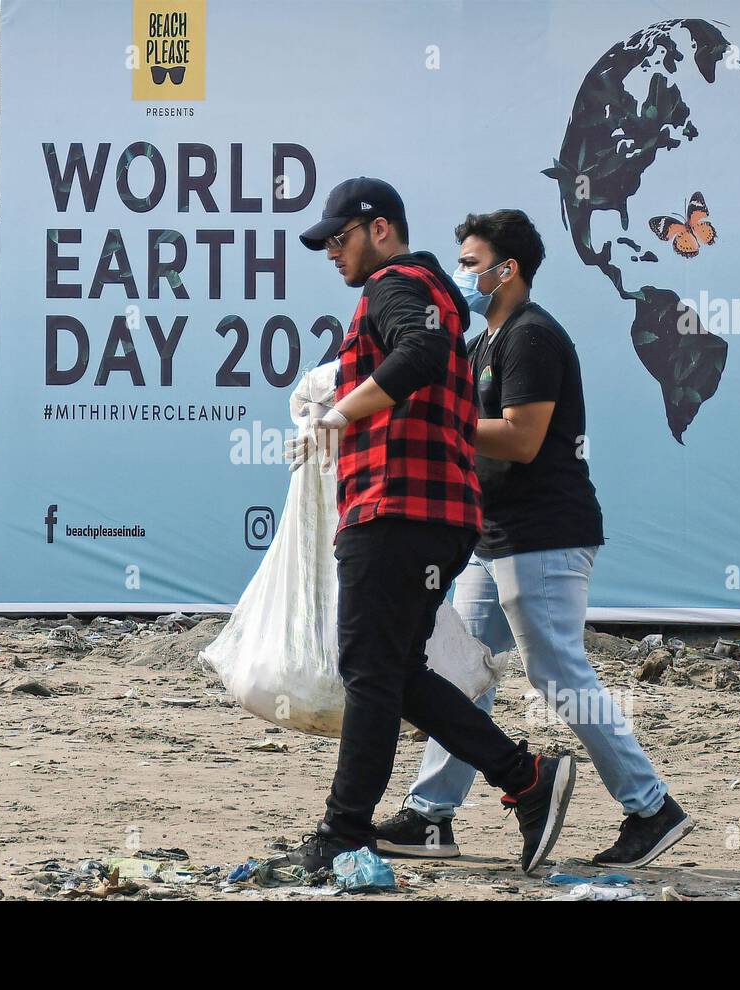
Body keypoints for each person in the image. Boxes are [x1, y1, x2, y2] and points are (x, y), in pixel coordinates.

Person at [373, 209, 694, 867]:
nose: (461, 274)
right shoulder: (481, 343)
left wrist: (439, 423)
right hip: (493, 542)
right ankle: (432, 817)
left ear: (506, 269)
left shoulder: (533, 338)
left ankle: (651, 806)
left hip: (545, 538)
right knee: (461, 675)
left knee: (558, 675)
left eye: (469, 262)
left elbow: (521, 439)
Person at [279, 178, 576, 875]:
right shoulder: (434, 290)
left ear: (380, 229)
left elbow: (419, 353)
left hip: (398, 509)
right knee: (394, 671)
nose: (330, 252)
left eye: (340, 237)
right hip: (433, 514)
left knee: (369, 672)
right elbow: (428, 354)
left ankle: (343, 831)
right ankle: (527, 779)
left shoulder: (394, 287)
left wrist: (337, 414)